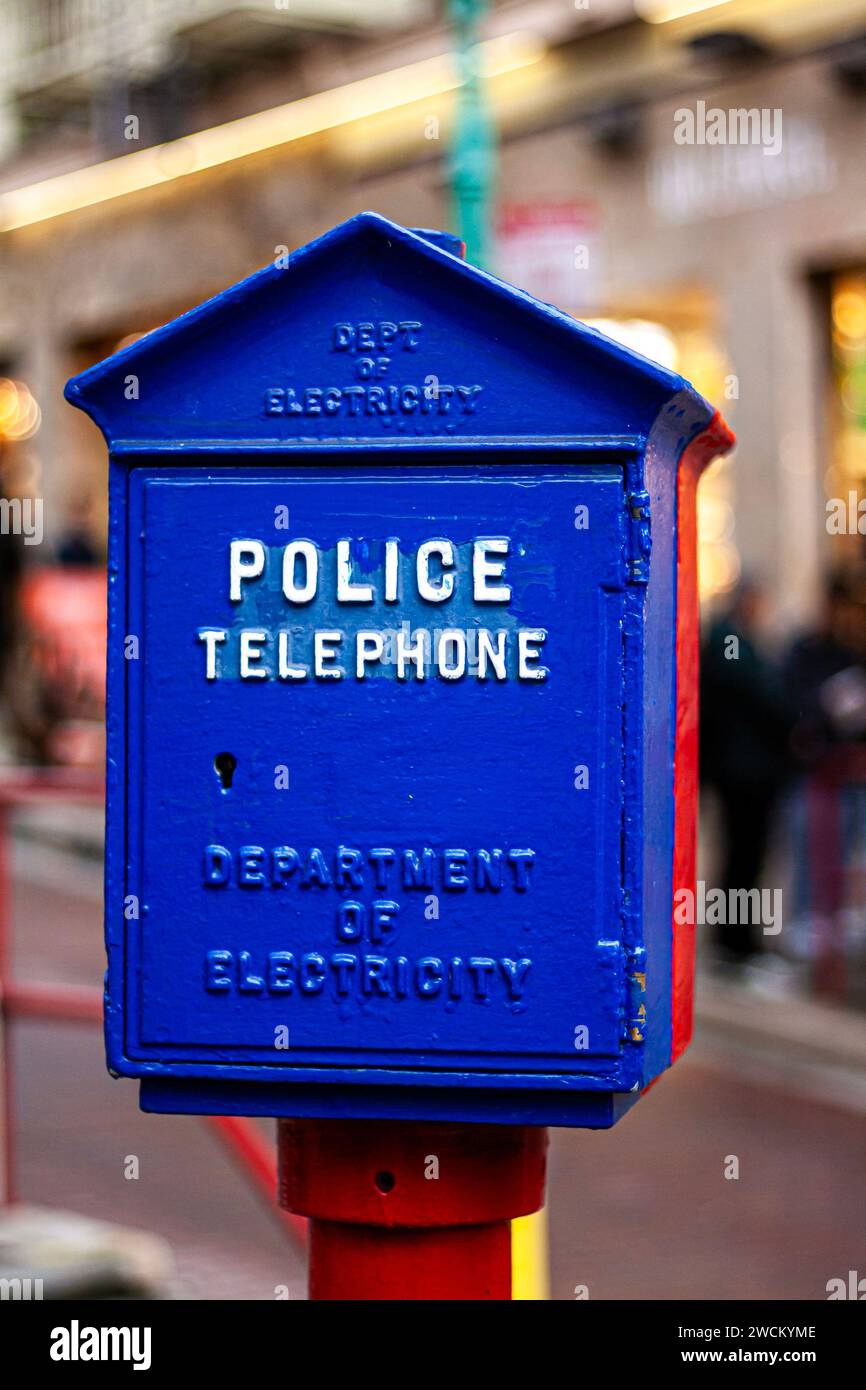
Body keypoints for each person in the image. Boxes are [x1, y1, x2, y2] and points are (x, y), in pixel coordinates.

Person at [700, 579, 792, 964]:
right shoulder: (730, 640)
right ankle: (734, 942)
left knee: (749, 858)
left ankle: (741, 939)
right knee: (741, 856)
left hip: (750, 769)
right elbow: (749, 687)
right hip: (741, 770)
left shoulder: (740, 639)